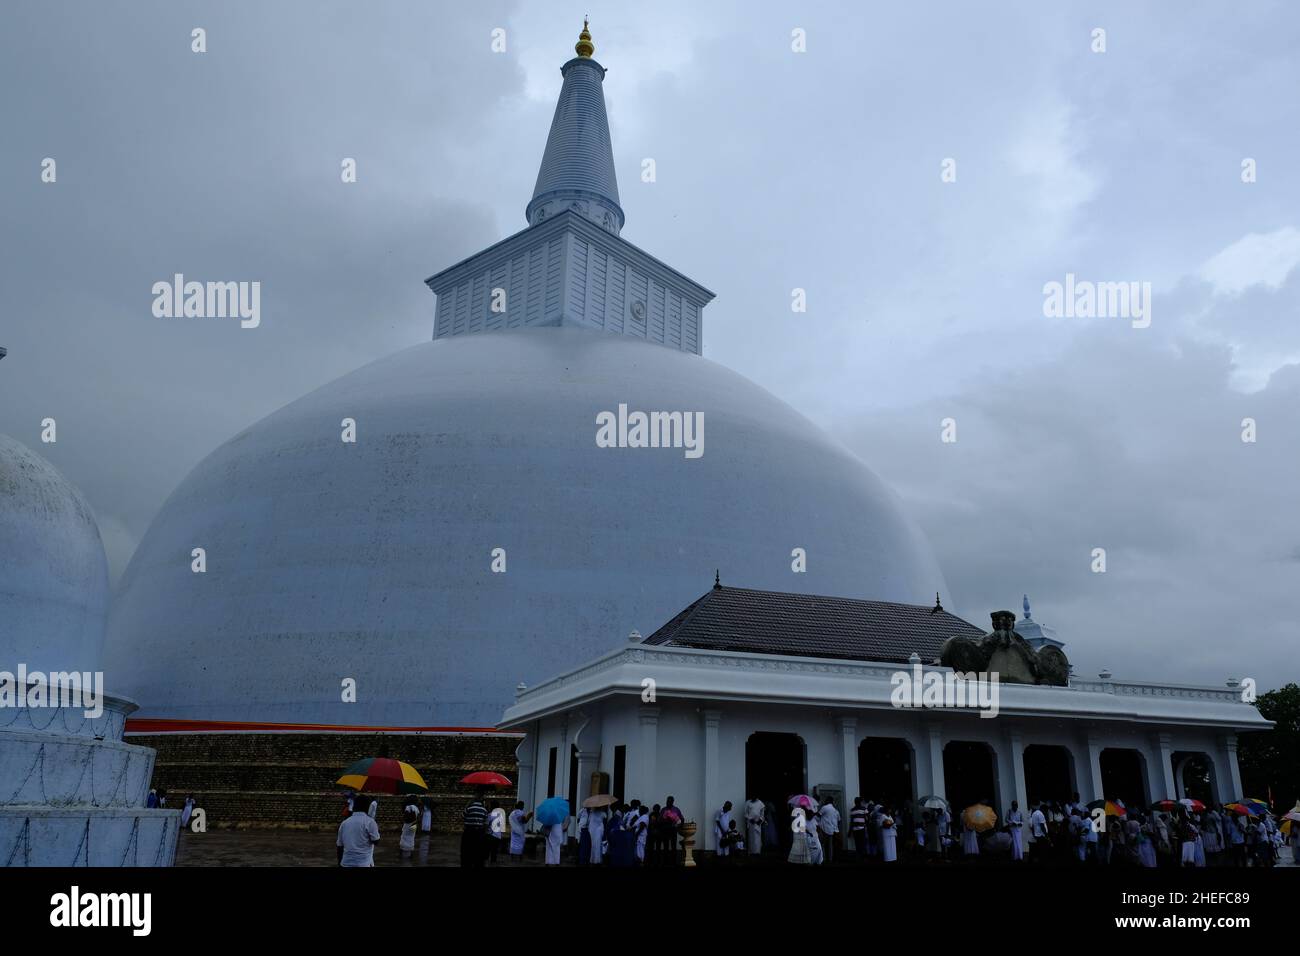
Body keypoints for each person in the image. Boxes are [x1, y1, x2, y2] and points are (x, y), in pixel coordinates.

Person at [337, 796, 381, 867]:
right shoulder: (370, 822)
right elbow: (376, 841)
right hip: (364, 863)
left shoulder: (344, 823)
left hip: (346, 863)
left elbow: (339, 846)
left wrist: (340, 863)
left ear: (354, 806)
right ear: (368, 807)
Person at [461, 795, 488, 867]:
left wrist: (467, 806)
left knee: (467, 851)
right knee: (477, 851)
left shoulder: (469, 807)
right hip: (479, 833)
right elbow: (485, 823)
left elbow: (463, 816)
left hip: (468, 832)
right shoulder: (484, 810)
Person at [818, 796, 840, 864]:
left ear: (827, 801)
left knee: (822, 844)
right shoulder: (836, 811)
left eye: (825, 800)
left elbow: (818, 815)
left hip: (824, 829)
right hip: (832, 830)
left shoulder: (825, 807)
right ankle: (830, 859)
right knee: (830, 846)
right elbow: (839, 820)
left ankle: (823, 858)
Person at [661, 796, 683, 865]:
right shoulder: (663, 809)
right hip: (665, 830)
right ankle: (665, 862)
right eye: (667, 801)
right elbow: (660, 820)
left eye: (670, 801)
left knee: (673, 846)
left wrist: (678, 825)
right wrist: (666, 819)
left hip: (673, 830)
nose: (668, 803)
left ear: (673, 802)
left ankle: (674, 862)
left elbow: (682, 819)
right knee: (666, 846)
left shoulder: (676, 809)